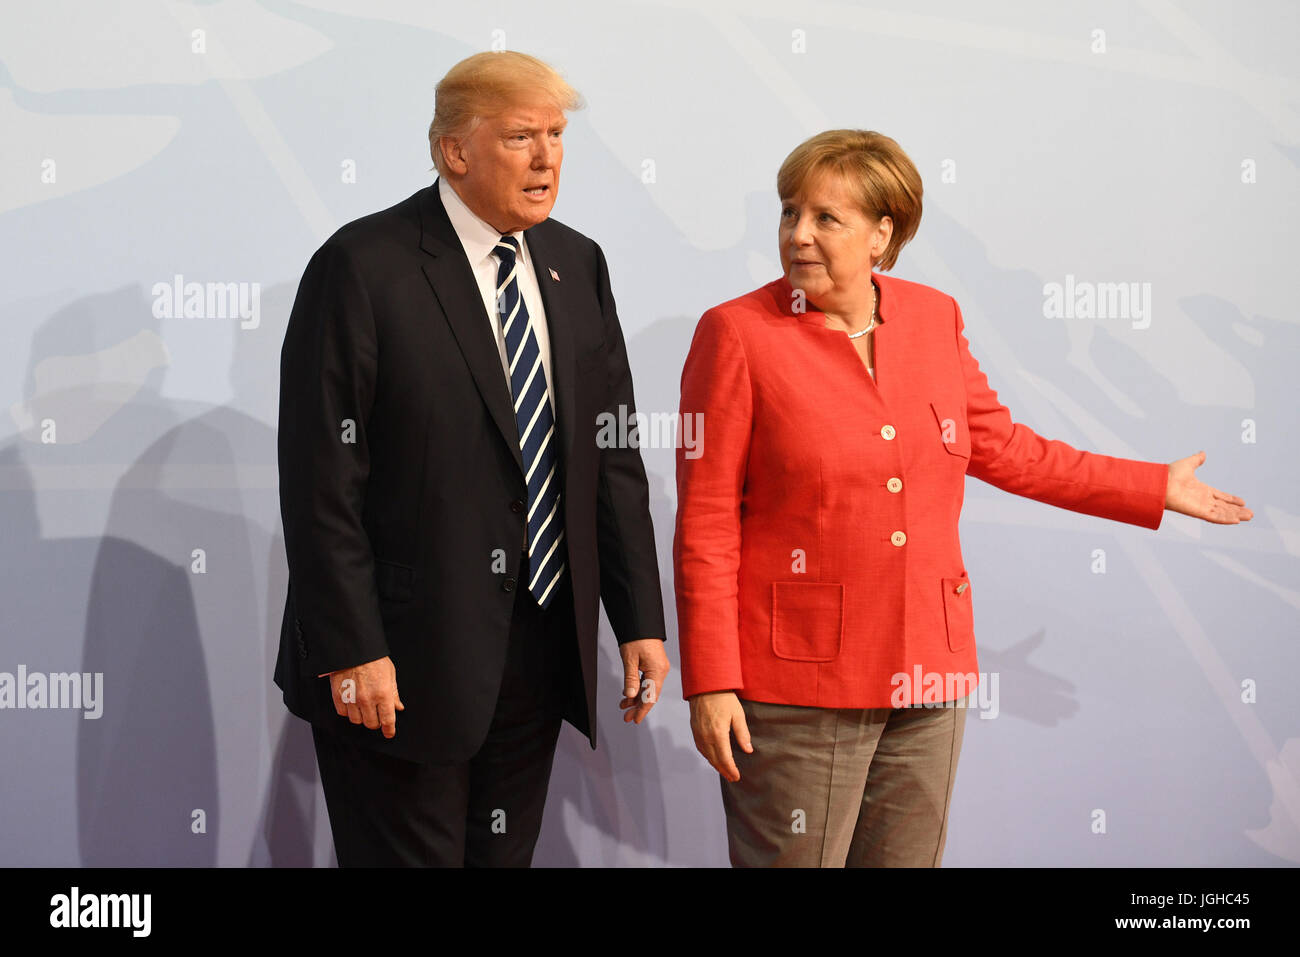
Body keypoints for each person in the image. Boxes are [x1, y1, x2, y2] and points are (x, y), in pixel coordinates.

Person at [673, 129, 1251, 868]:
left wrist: (1151, 485)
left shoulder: (933, 317)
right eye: (790, 213)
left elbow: (1005, 447)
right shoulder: (737, 333)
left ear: (884, 232)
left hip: (928, 671)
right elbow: (707, 523)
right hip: (798, 685)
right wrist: (714, 679)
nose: (799, 235)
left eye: (826, 218)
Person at [274, 51, 669, 867]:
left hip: (536, 650)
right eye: (522, 135)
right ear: (456, 151)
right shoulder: (364, 265)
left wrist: (638, 620)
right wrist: (353, 647)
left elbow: (613, 456)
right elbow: (322, 484)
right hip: (399, 661)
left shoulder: (577, 263)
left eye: (557, 134)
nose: (547, 156)